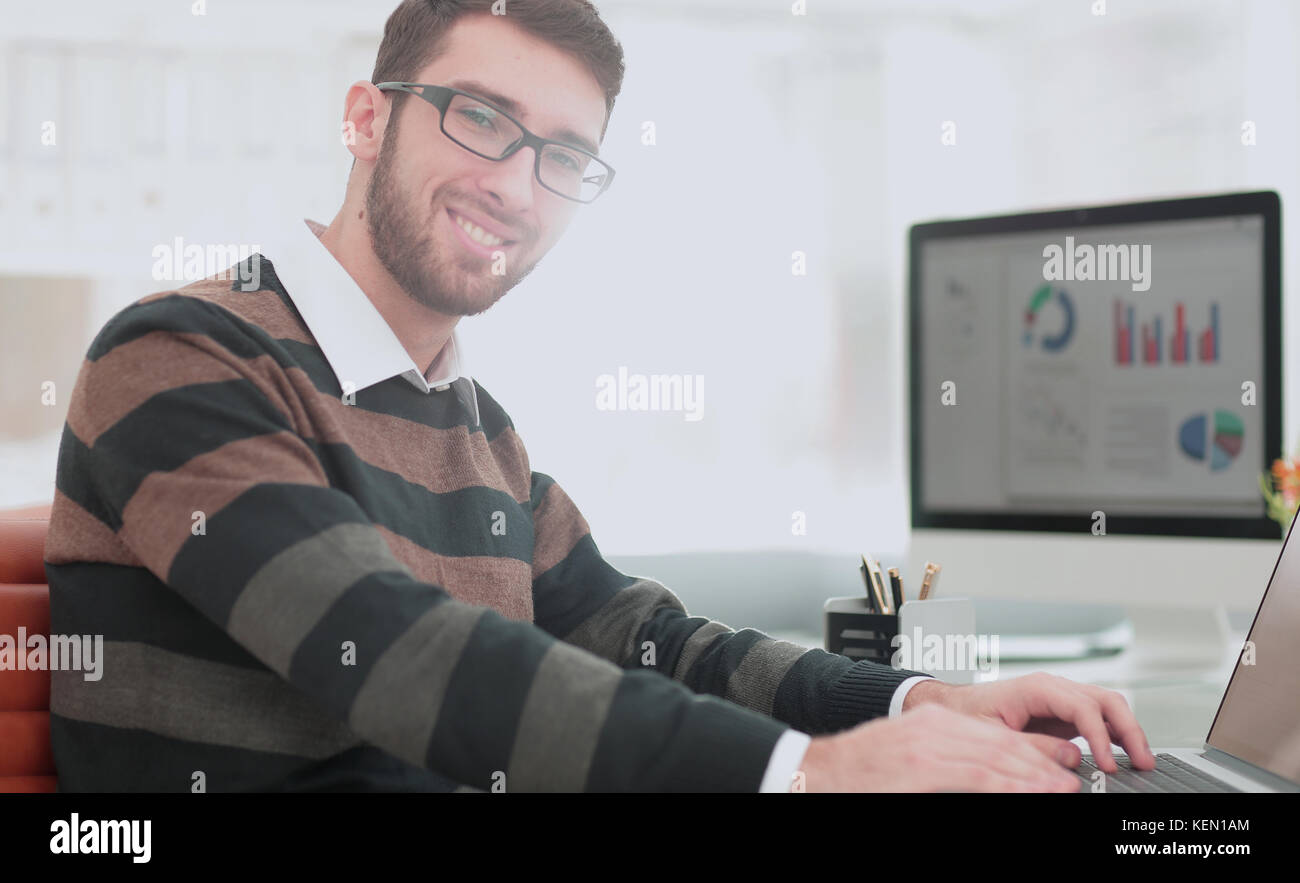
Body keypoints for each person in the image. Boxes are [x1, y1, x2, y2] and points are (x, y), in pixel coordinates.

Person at [45, 0, 1155, 792]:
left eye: (564, 156)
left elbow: (645, 639)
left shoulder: (479, 434)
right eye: (478, 116)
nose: (516, 185)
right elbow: (391, 651)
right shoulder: (180, 358)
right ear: (367, 118)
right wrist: (811, 774)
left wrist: (909, 706)